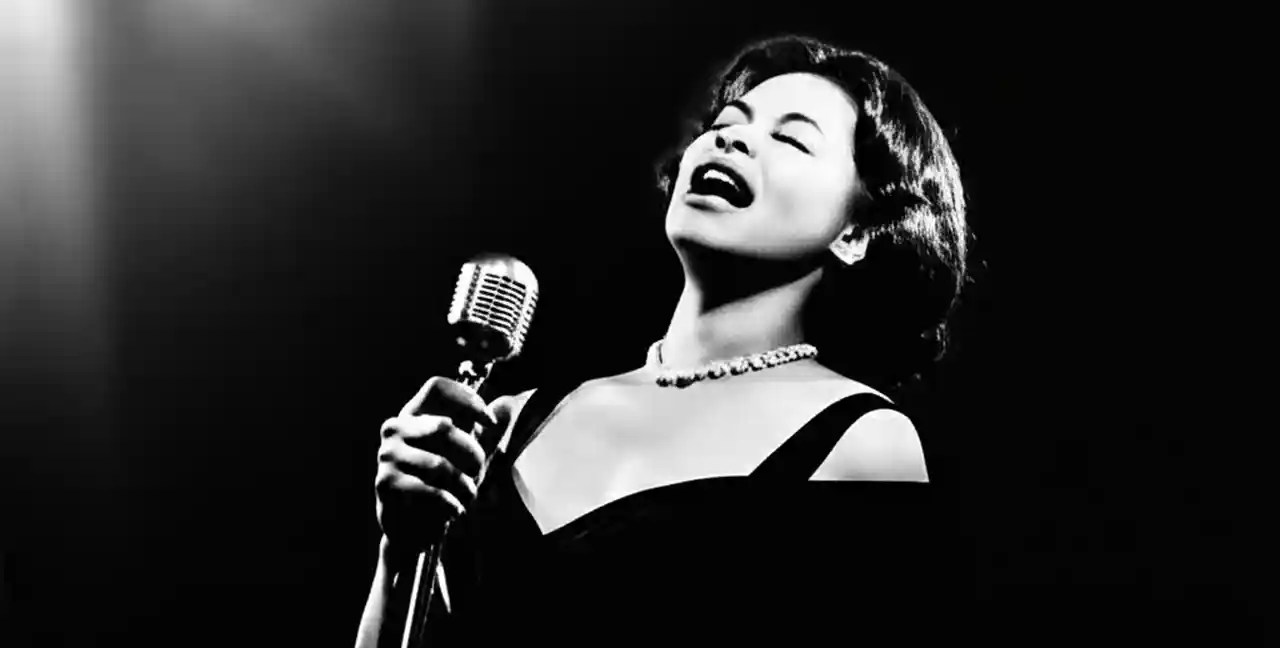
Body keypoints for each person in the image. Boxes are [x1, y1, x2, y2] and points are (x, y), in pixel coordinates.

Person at [355, 34, 970, 646]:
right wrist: (400, 550)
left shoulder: (860, 441)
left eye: (790, 138)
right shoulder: (510, 422)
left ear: (857, 233)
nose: (731, 138)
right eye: (728, 121)